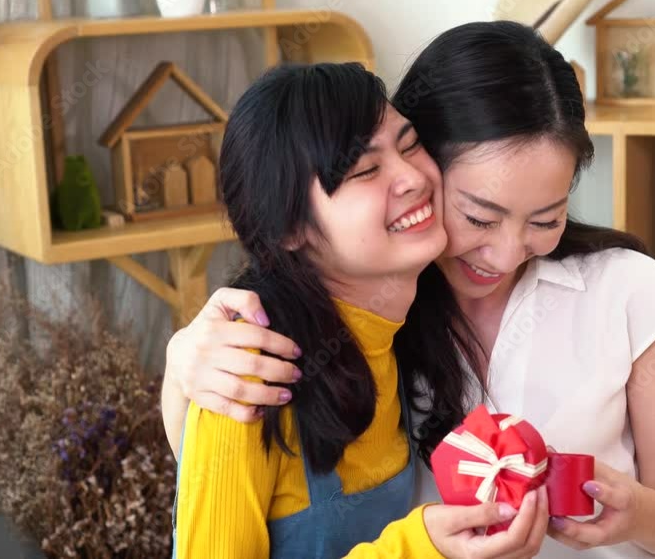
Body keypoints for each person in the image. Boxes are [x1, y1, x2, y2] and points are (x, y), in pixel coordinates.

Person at [163, 21, 655, 558]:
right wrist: (181, 368)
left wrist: (639, 514)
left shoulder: (622, 291)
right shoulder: (306, 348)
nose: (504, 254)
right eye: (478, 217)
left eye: (546, 220)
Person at [170, 61, 549, 559]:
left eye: (410, 144)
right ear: (289, 229)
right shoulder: (251, 376)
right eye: (366, 170)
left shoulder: (399, 334)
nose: (413, 177)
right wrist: (417, 548)